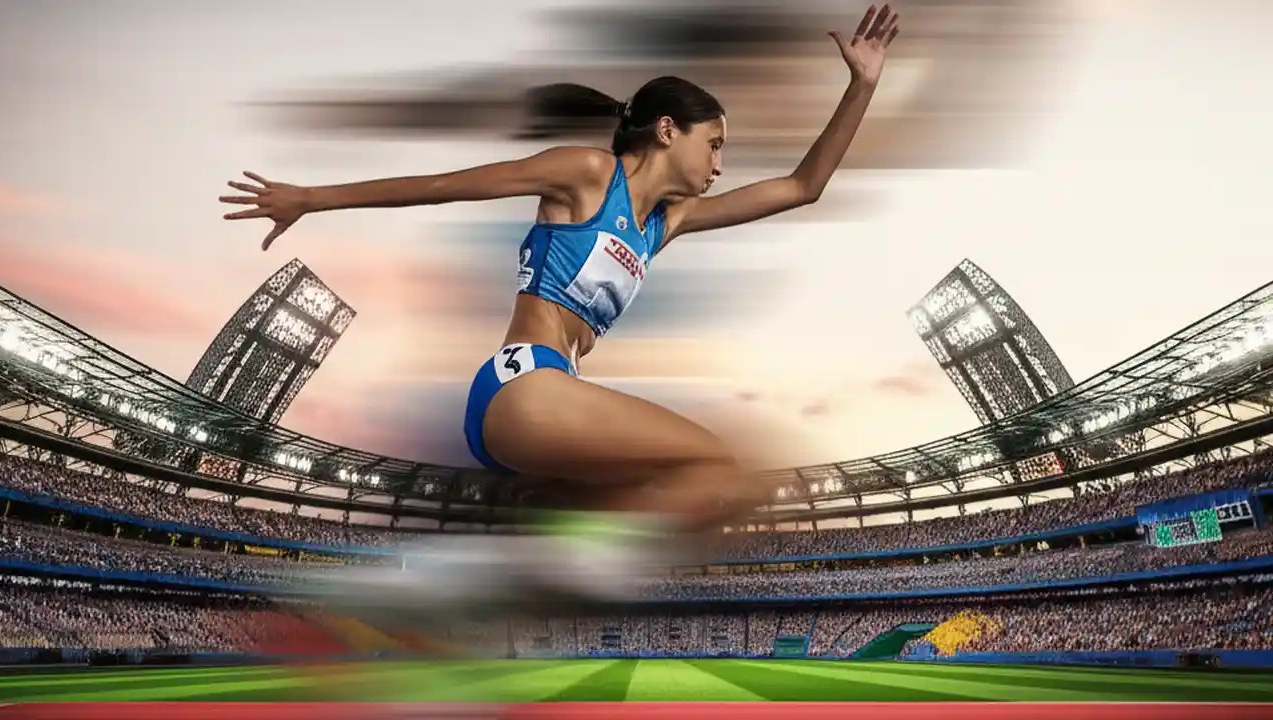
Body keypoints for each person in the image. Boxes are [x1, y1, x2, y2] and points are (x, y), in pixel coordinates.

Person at [222, 5, 899, 606]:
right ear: (668, 130)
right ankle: (563, 560)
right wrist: (311, 198)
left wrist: (862, 86)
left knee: (705, 488)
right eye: (714, 144)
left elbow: (802, 187)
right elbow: (443, 185)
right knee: (719, 469)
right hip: (522, 383)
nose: (719, 166)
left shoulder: (665, 224)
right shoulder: (589, 175)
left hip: (551, 401)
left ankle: (462, 580)